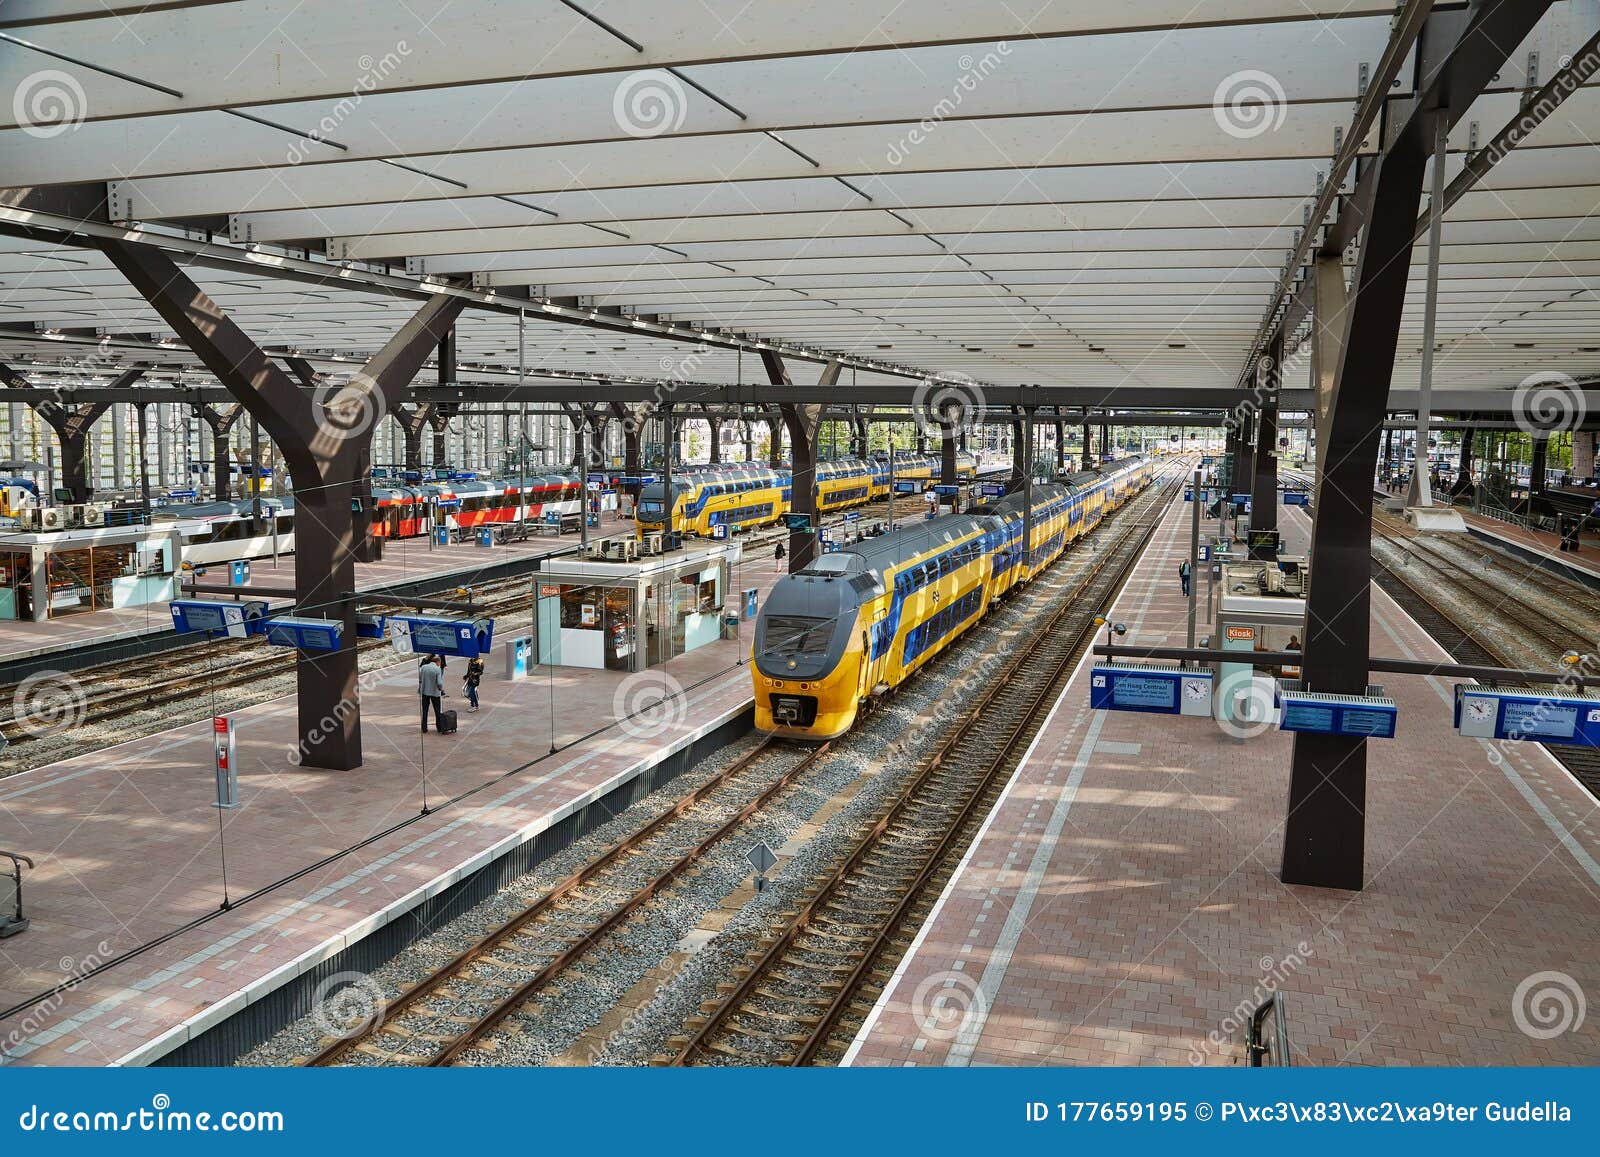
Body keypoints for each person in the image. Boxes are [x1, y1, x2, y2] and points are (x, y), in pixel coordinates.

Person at [419, 653, 445, 732]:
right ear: (438, 662)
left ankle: (424, 728)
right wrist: (441, 689)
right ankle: (439, 728)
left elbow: (420, 679)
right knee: (437, 711)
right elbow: (439, 683)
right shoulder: (437, 669)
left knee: (425, 710)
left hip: (424, 692)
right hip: (435, 693)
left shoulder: (423, 667)